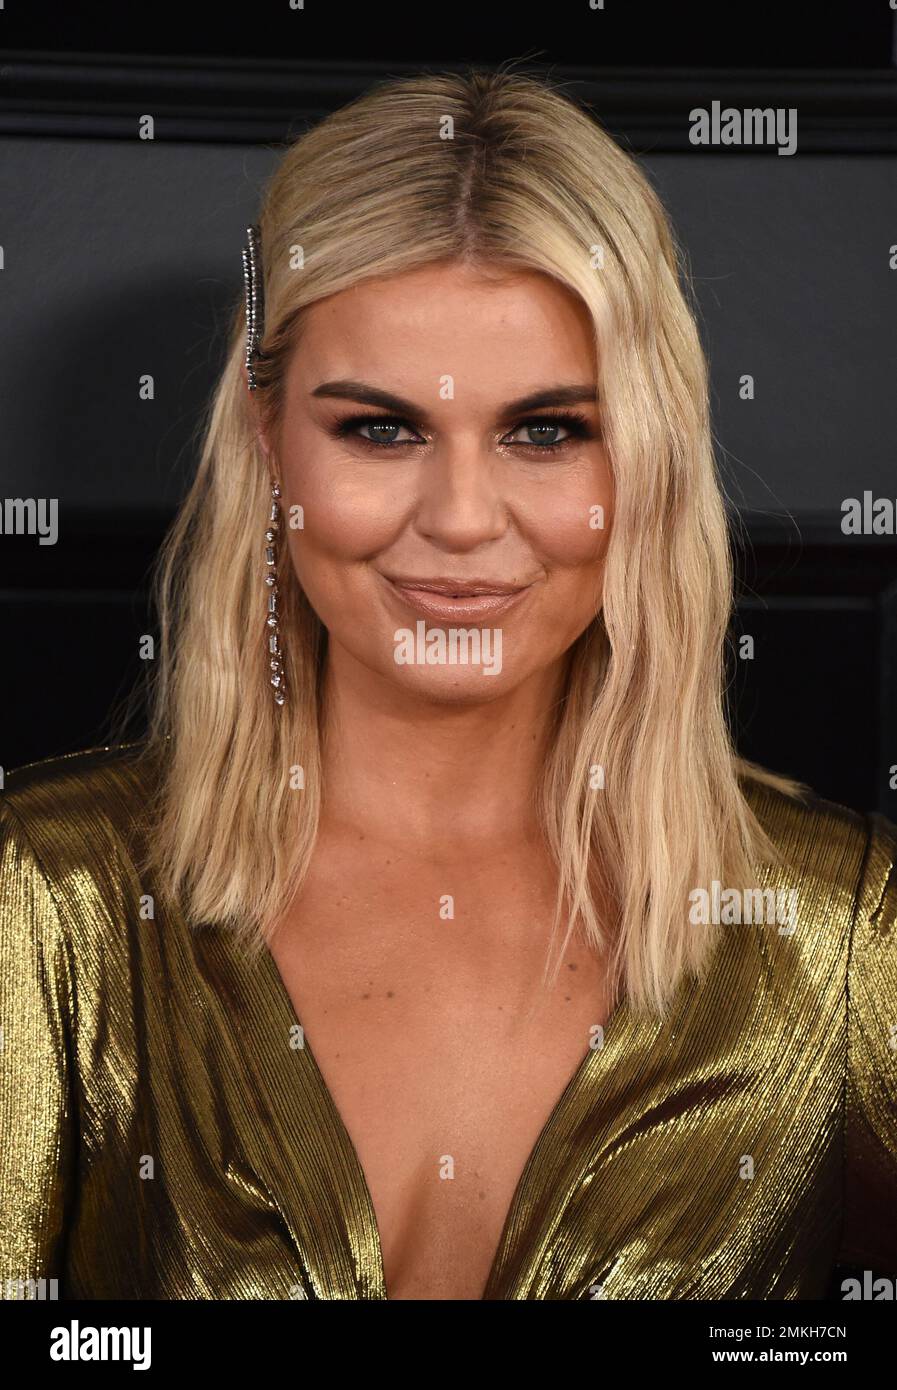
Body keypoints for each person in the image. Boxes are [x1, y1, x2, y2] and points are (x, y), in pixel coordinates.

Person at [1, 68, 895, 1302]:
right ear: (269, 446)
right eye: (381, 429)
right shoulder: (45, 899)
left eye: (547, 430)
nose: (463, 522)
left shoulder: (845, 933)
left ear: (647, 460)